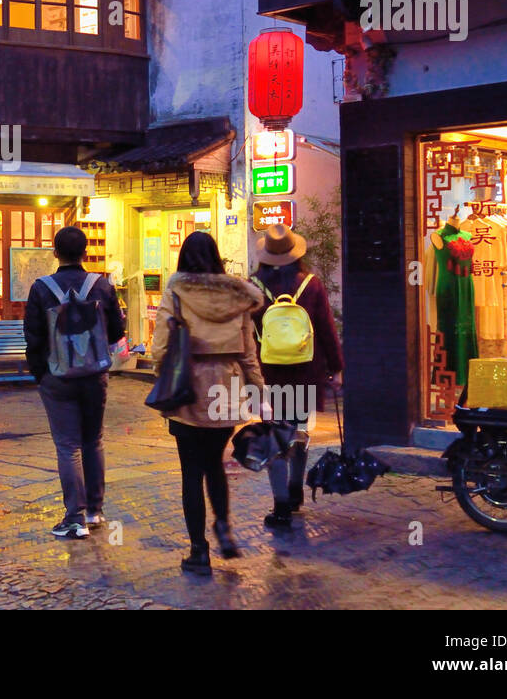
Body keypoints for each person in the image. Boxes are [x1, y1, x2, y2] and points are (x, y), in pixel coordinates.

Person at [152, 231, 265, 576]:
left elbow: (159, 348)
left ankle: (199, 552)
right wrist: (258, 391)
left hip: (188, 388)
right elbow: (248, 352)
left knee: (191, 471)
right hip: (227, 389)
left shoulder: (176, 291)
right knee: (215, 463)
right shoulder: (236, 295)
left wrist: (166, 372)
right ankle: (225, 528)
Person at [23, 226, 125, 539]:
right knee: (94, 440)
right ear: (85, 253)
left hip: (57, 376)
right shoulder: (102, 286)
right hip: (95, 375)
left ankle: (74, 517)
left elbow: (33, 336)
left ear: (55, 253)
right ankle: (96, 510)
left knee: (68, 446)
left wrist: (41, 374)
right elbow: (116, 331)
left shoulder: (41, 288)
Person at [251, 223, 344, 529]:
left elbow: (244, 335)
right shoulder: (312, 284)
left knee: (276, 436)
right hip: (306, 371)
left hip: (269, 375)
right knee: (300, 431)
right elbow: (327, 330)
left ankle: (280, 507)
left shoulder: (253, 286)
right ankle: (295, 491)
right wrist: (337, 367)